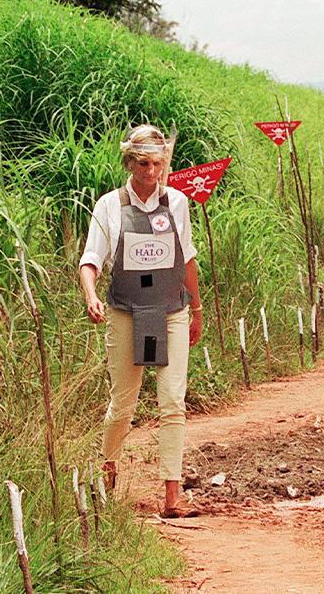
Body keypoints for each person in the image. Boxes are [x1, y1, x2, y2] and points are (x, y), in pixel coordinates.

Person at [78, 124, 205, 518]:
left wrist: (197, 309)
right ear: (130, 163)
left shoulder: (178, 204)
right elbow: (90, 260)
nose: (152, 172)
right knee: (123, 404)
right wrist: (91, 296)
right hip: (125, 313)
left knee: (172, 402)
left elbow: (186, 260)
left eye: (158, 163)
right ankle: (108, 474)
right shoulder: (109, 206)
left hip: (171, 312)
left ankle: (172, 494)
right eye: (144, 163)